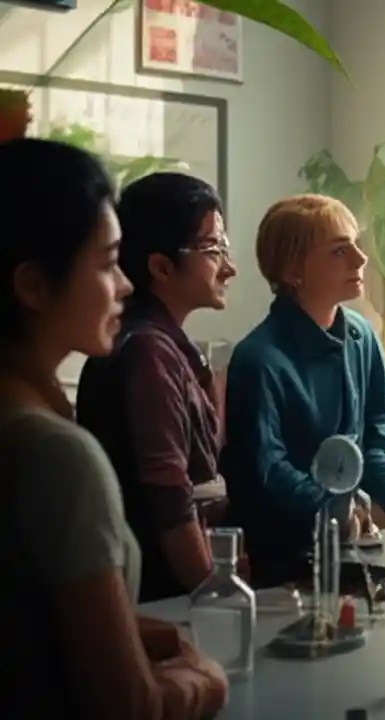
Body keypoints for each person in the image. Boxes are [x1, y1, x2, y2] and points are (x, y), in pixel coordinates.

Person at [0, 139, 227, 718]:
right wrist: (203, 680)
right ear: (32, 285)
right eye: (106, 264)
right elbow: (127, 704)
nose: (124, 285)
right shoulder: (56, 455)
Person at [220, 193, 385, 588]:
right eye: (338, 251)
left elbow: (372, 450)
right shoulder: (258, 359)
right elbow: (267, 471)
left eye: (355, 245)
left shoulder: (360, 336)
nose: (360, 259)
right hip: (282, 563)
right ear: (292, 270)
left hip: (346, 551)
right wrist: (337, 514)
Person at [77, 172, 239, 602]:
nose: (230, 266)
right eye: (213, 248)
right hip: (164, 597)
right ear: (161, 267)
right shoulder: (149, 353)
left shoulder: (167, 347)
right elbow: (170, 507)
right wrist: (219, 599)